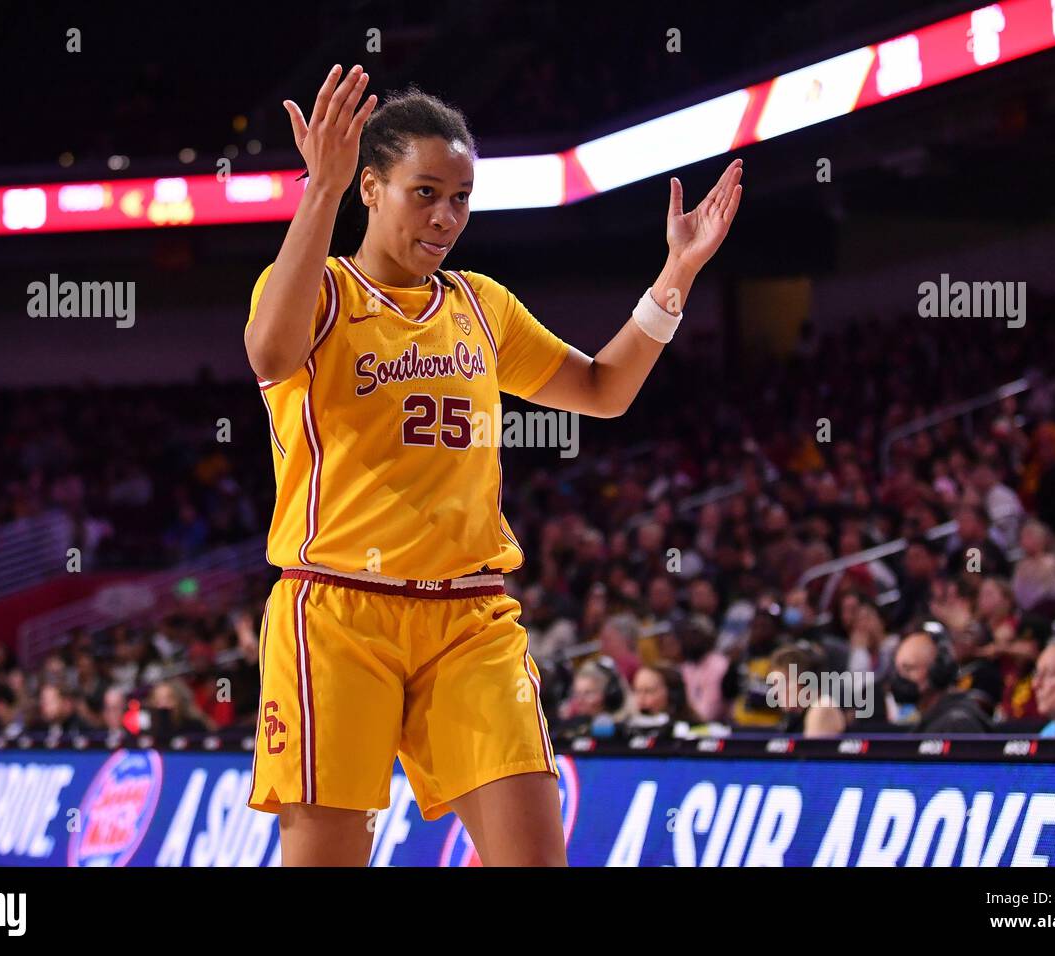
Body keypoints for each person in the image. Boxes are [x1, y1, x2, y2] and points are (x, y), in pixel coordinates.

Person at [242, 64, 743, 866]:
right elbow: (270, 352)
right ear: (369, 188)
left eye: (461, 198)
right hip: (337, 613)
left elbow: (604, 390)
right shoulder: (321, 291)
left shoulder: (482, 305)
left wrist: (675, 276)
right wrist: (318, 191)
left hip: (469, 618)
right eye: (425, 193)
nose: (447, 216)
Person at [890, 627, 994, 733]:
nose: (901, 676)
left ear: (937, 671)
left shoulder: (957, 723)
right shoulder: (929, 720)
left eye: (909, 668)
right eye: (898, 670)